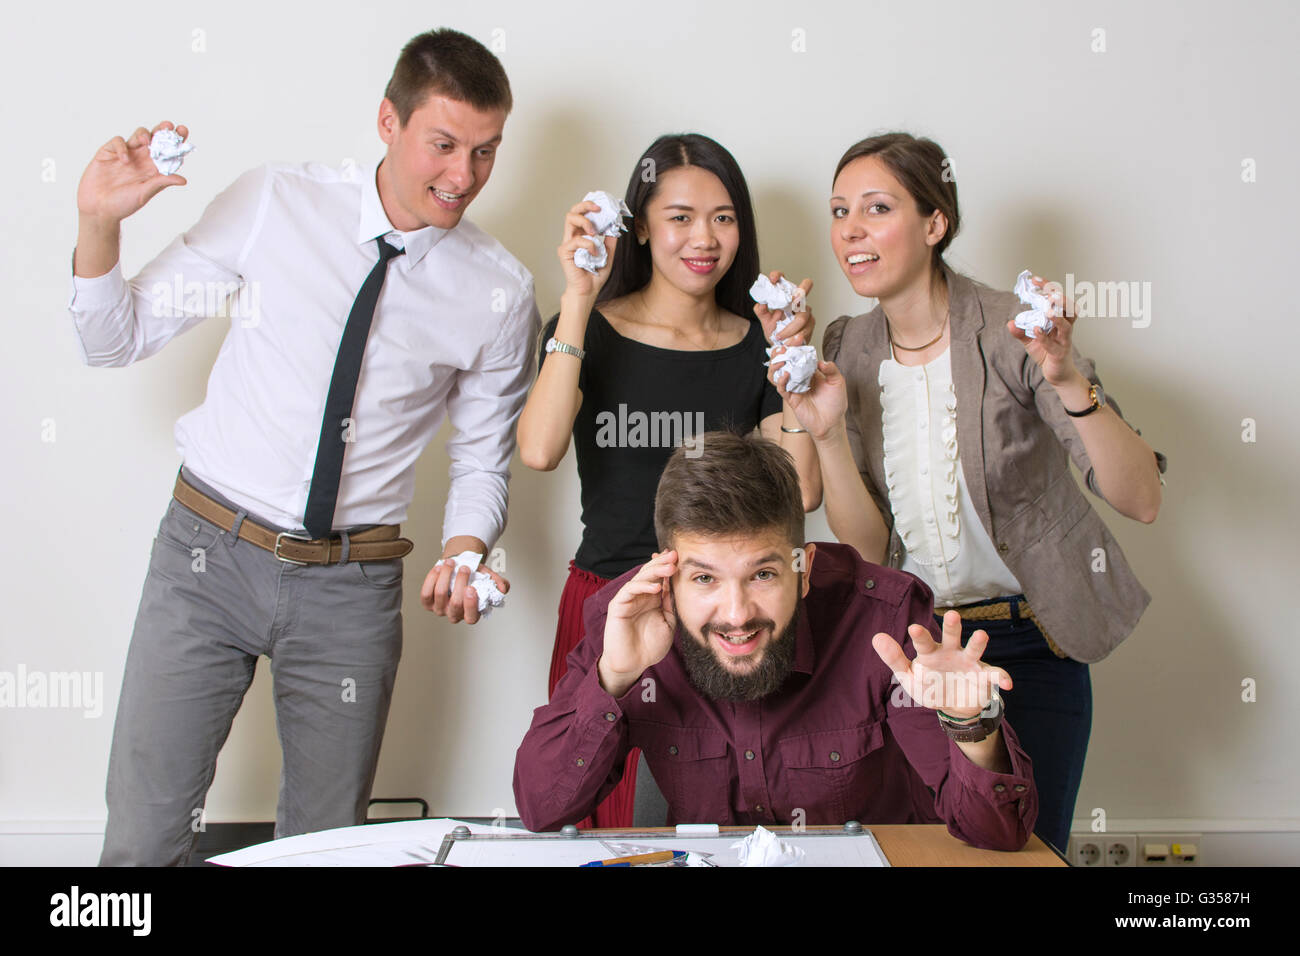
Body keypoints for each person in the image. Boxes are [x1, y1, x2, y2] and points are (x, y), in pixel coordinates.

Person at [70, 29, 538, 865]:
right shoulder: (275, 201)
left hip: (350, 588)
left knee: (324, 849)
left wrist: (466, 549)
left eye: (486, 151)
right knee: (143, 837)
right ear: (388, 121)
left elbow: (480, 459)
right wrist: (99, 223)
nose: (464, 176)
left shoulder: (499, 291)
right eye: (443, 144)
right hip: (206, 558)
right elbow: (115, 338)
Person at [768, 131, 1167, 853]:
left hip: (1029, 646)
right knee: (922, 850)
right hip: (917, 645)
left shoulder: (1015, 331)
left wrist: (1066, 377)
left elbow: (1141, 498)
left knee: (1025, 851)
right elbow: (870, 548)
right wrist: (824, 433)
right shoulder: (845, 346)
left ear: (935, 223)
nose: (850, 230)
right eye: (839, 211)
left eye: (877, 208)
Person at [513, 433, 1037, 851]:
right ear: (667, 577)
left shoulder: (886, 620)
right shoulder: (626, 618)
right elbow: (542, 809)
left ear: (803, 570)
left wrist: (971, 724)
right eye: (704, 579)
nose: (736, 614)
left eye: (762, 575)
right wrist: (614, 677)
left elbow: (998, 834)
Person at [515, 133, 821, 828]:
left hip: (720, 613)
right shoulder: (588, 327)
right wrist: (579, 298)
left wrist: (791, 367)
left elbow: (802, 494)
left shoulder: (757, 341)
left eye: (723, 218)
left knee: (707, 816)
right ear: (642, 228)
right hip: (611, 602)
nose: (704, 238)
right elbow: (538, 449)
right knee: (594, 808)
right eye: (680, 217)